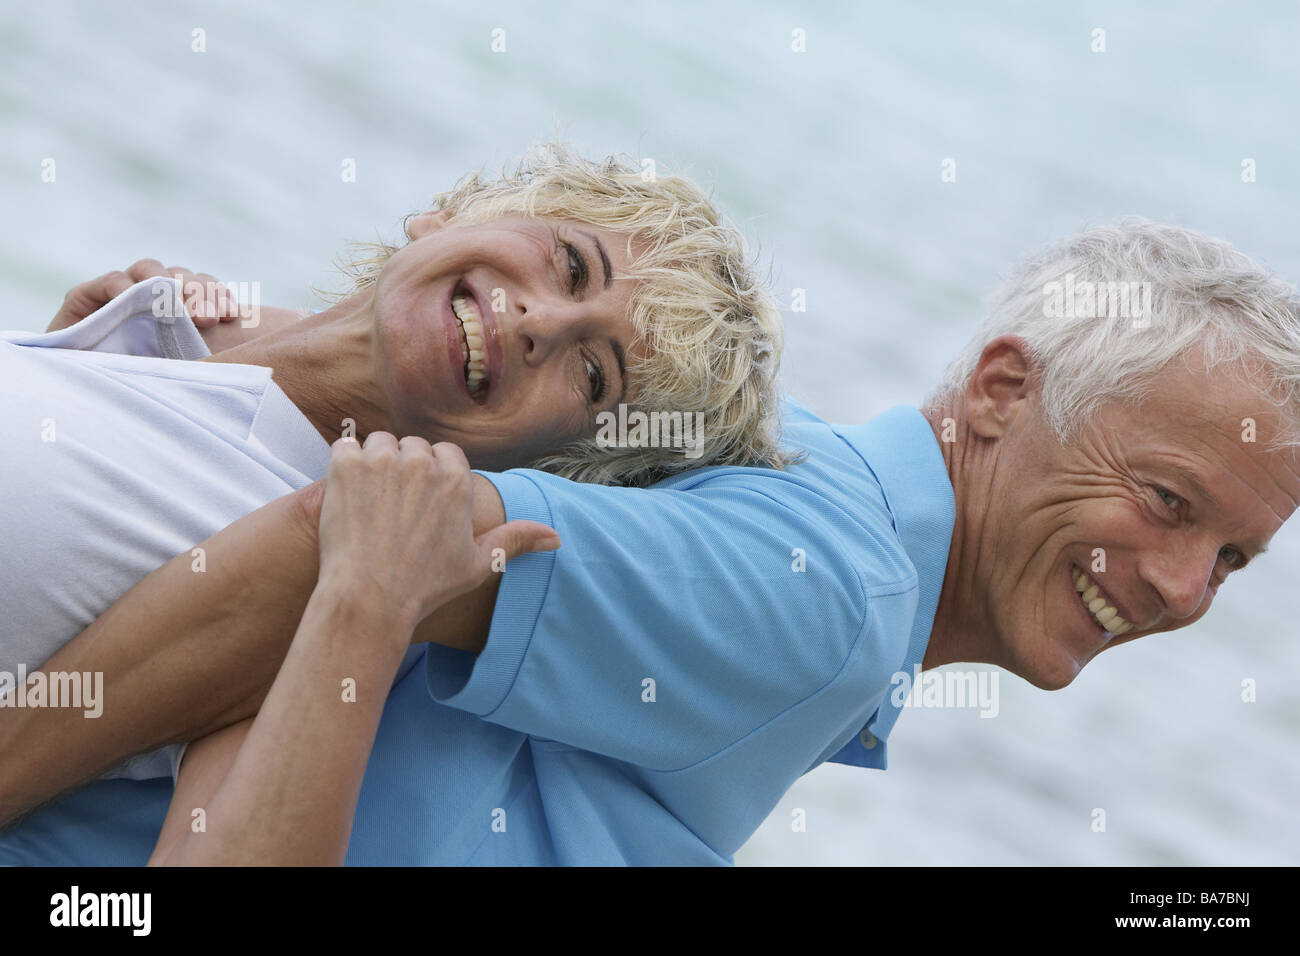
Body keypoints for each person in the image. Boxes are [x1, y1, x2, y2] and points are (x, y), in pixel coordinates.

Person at [5, 219, 1298, 865]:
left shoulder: (787, 468)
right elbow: (359, 534)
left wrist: (206, 353)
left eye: (1234, 560)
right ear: (1004, 391)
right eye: (1171, 506)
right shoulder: (833, 599)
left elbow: (449, 431)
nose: (1182, 588)